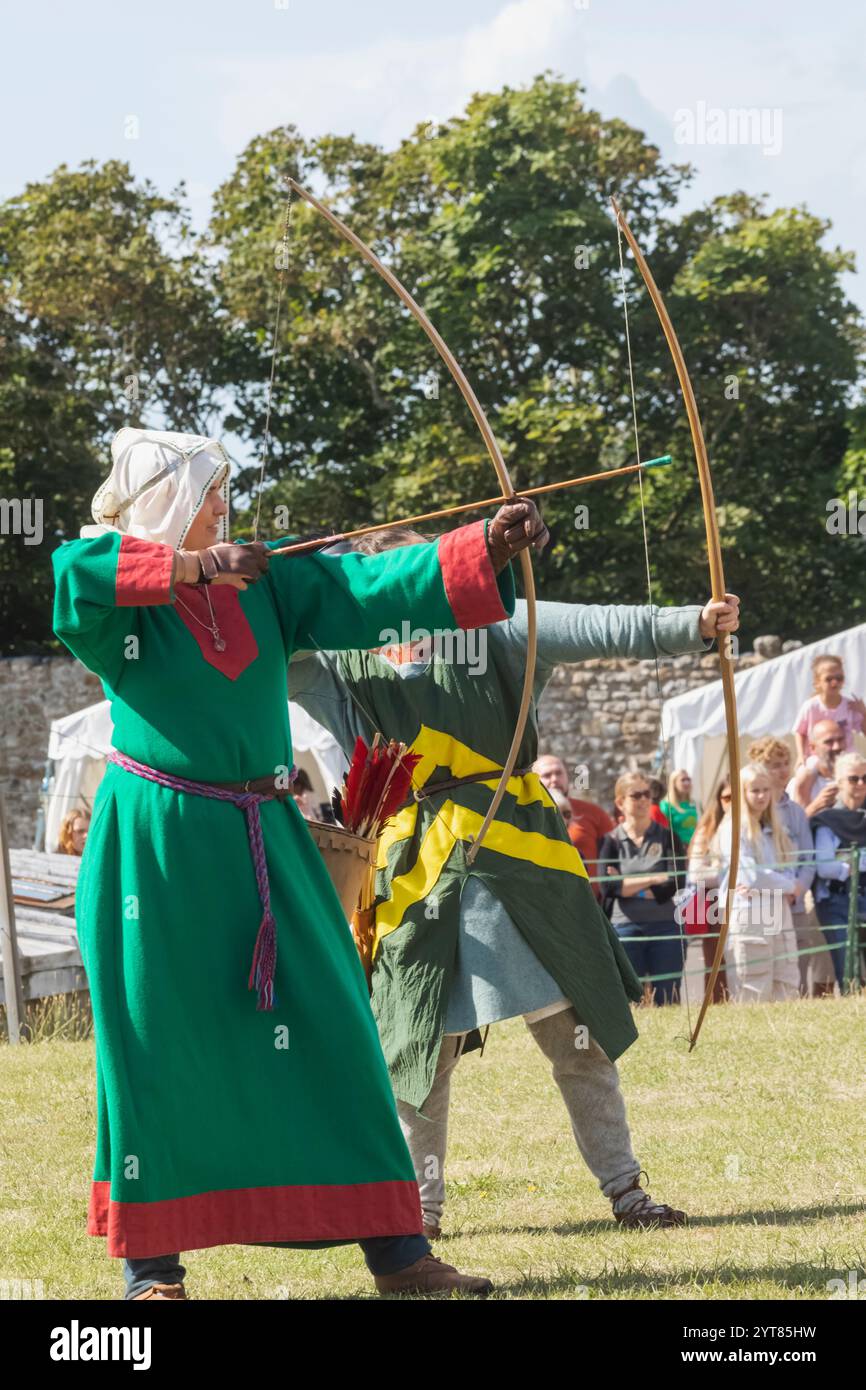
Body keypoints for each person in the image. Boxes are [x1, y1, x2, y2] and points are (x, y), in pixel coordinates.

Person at [51, 425, 544, 1300]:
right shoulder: (116, 592)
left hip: (264, 830)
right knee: (156, 1044)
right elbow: (72, 575)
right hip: (154, 845)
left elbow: (366, 583)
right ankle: (151, 1269)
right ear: (165, 499)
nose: (222, 502)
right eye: (206, 489)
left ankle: (400, 1256)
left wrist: (481, 548)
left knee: (336, 1027)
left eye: (223, 488)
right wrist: (197, 570)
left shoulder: (267, 583)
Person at [290, 525, 740, 1237]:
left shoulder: (492, 623)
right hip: (416, 875)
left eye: (425, 573)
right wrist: (291, 567)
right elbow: (268, 647)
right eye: (394, 579)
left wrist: (690, 624)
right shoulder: (343, 661)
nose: (413, 590)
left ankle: (627, 1192)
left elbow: (589, 626)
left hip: (519, 860)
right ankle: (420, 1214)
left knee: (576, 1039)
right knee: (419, 1052)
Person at [747, 736, 834, 997]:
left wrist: (798, 889)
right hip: (762, 905)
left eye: (786, 763)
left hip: (794, 903)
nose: (783, 770)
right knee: (763, 974)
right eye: (775, 764)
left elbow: (808, 858)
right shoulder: (751, 812)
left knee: (796, 971)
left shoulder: (795, 811)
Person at [598, 772, 688, 1005]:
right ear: (620, 802)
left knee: (668, 998)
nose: (643, 800)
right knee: (631, 999)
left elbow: (675, 883)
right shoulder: (610, 841)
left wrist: (628, 884)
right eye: (635, 795)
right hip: (625, 928)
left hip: (666, 926)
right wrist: (653, 879)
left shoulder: (669, 837)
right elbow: (608, 888)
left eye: (647, 794)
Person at [717, 764, 799, 1004]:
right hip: (749, 913)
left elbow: (788, 866)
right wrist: (788, 885)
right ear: (742, 793)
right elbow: (750, 875)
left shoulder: (773, 826)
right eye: (755, 790)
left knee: (786, 981)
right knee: (752, 986)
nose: (762, 796)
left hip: (778, 908)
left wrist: (784, 883)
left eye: (766, 790)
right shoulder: (733, 828)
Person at [811, 750, 866, 991]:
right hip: (836, 901)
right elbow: (824, 867)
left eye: (865, 778)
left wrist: (850, 863)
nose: (861, 784)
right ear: (840, 783)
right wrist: (850, 867)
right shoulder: (828, 820)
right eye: (853, 779)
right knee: (848, 968)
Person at [532, 755, 614, 897]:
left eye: (559, 773)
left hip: (592, 903)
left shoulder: (593, 813)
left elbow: (614, 854)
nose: (554, 779)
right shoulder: (526, 817)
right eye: (547, 775)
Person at [685, 778, 731, 1003]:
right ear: (718, 800)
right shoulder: (708, 827)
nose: (731, 804)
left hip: (749, 903)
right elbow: (696, 873)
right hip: (715, 906)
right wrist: (732, 872)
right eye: (727, 798)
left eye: (736, 798)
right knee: (716, 968)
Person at [793, 654, 866, 760]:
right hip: (818, 757)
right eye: (829, 679)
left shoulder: (850, 705)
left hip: (846, 756)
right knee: (805, 774)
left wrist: (864, 713)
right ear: (817, 682)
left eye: (839, 678)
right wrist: (801, 755)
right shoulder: (811, 706)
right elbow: (800, 732)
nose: (835, 682)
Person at [787, 720, 845, 817]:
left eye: (840, 740)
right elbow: (794, 827)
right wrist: (817, 805)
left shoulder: (857, 778)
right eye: (829, 742)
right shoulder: (800, 783)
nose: (836, 747)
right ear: (813, 747)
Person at [660, 770, 698, 845]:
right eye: (683, 780)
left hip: (694, 847)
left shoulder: (694, 803)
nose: (687, 783)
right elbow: (663, 831)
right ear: (673, 783)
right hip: (677, 849)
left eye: (688, 780)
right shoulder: (665, 805)